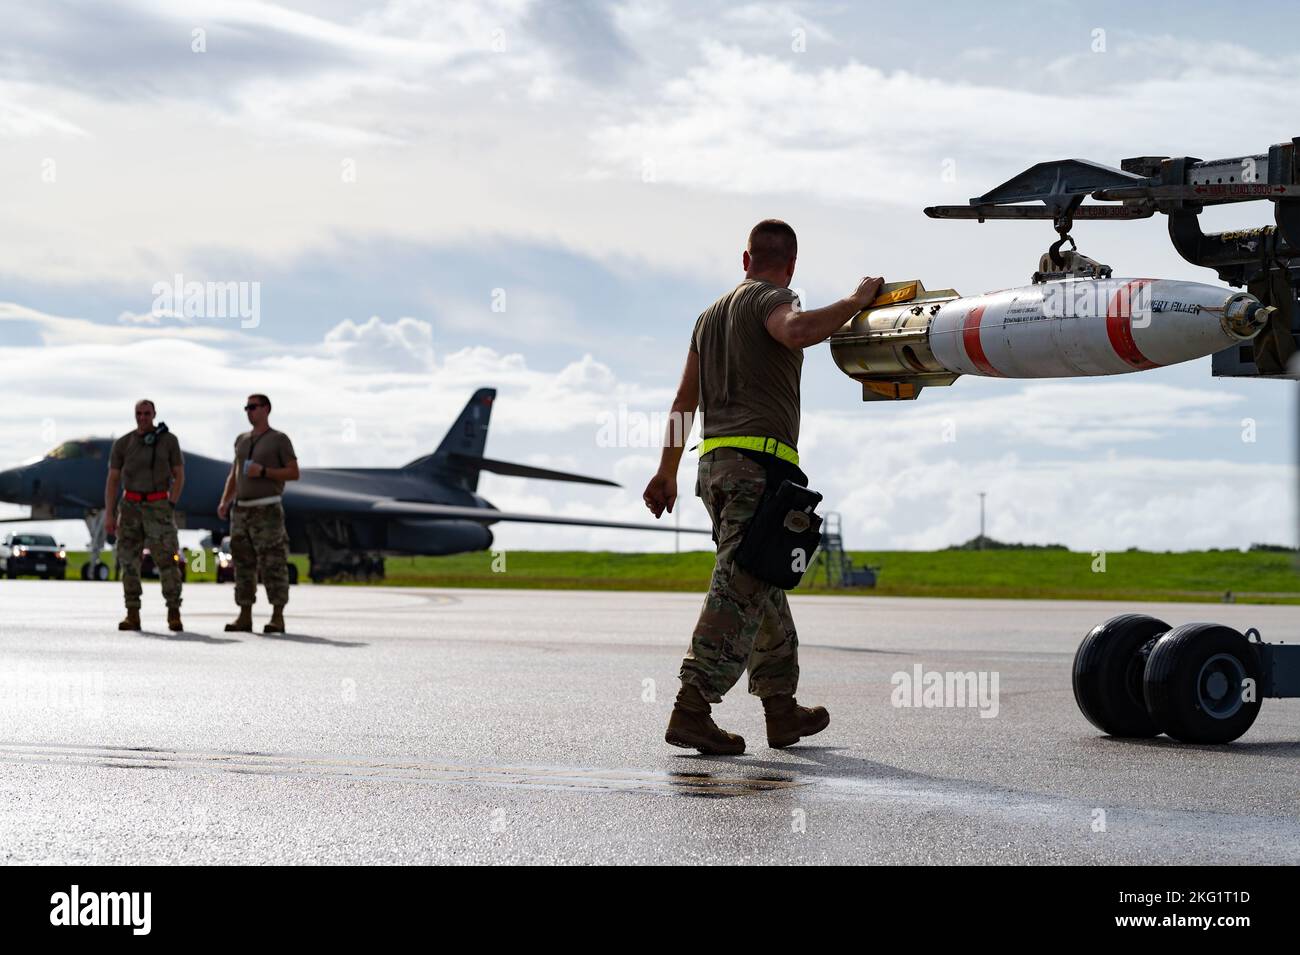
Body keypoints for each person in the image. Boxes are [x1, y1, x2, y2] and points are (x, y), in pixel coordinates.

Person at [643, 219, 883, 754]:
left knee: (762, 583)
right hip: (757, 468)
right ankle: (691, 708)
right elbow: (795, 331)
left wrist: (667, 470)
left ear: (744, 258)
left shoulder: (708, 318)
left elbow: (685, 401)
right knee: (739, 587)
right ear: (791, 264)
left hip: (717, 468)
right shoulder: (773, 299)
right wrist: (856, 300)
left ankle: (780, 709)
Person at [217, 394, 299, 634]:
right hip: (241, 511)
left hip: (268, 510)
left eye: (253, 407)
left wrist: (263, 471)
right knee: (242, 564)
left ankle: (277, 616)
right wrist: (225, 501)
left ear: (266, 409)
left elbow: (294, 472)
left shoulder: (279, 440)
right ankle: (244, 615)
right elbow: (234, 474)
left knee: (273, 563)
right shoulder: (241, 441)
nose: (248, 411)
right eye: (246, 408)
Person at [105, 399, 185, 631]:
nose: (142, 417)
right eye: (138, 413)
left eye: (146, 413)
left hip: (158, 505)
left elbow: (179, 474)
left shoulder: (169, 441)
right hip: (129, 507)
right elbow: (112, 480)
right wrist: (110, 514)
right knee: (128, 562)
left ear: (154, 414)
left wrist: (170, 504)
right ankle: (132, 613)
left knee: (168, 561)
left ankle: (173, 612)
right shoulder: (123, 443)